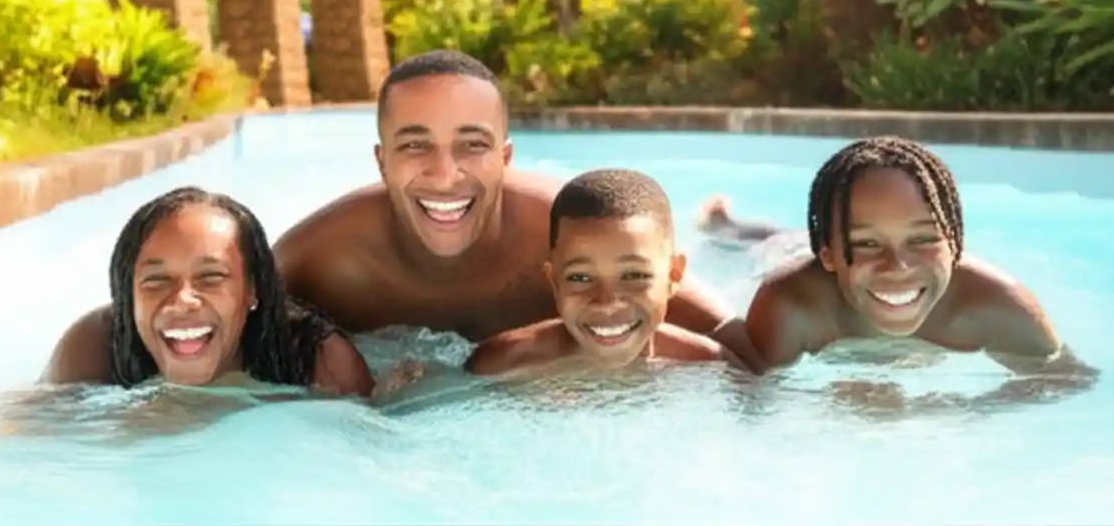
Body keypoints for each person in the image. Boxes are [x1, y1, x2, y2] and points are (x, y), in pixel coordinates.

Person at [271, 49, 764, 371]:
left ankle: (722, 226)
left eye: (472, 144)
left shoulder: (572, 235)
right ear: (382, 161)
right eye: (415, 145)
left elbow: (737, 346)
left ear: (505, 158)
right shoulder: (318, 260)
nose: (445, 174)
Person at [704, 136, 1098, 405]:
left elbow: (1069, 381)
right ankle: (722, 224)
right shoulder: (792, 306)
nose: (899, 266)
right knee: (766, 241)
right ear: (829, 256)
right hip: (784, 255)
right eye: (867, 244)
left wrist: (950, 408)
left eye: (923, 239)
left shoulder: (997, 307)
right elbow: (755, 400)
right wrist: (833, 399)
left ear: (954, 245)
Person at [41, 186, 378, 398]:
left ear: (253, 290)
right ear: (128, 297)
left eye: (211, 277)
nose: (182, 300)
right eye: (156, 280)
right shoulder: (92, 351)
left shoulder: (318, 362)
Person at [465, 168, 730, 376]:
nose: (608, 302)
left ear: (673, 276)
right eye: (581, 278)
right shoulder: (503, 364)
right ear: (554, 281)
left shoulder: (707, 367)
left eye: (634, 276)